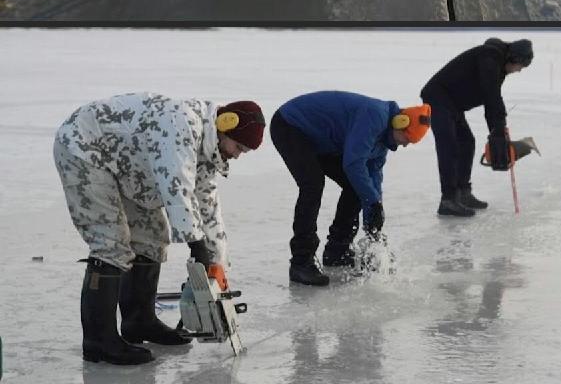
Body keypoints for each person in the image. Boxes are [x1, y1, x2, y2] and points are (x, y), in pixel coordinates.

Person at [54, 94, 264, 365]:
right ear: (224, 124)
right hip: (85, 149)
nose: (237, 155)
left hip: (126, 165)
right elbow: (177, 188)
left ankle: (139, 321)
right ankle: (98, 340)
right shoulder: (181, 124)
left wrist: (217, 265)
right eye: (238, 147)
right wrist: (197, 246)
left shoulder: (209, 150)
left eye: (243, 152)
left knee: (152, 236)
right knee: (111, 243)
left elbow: (207, 206)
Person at [271, 92, 432, 286]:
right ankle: (301, 261)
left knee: (356, 186)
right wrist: (371, 200)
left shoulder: (383, 142)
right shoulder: (375, 116)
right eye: (407, 138)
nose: (406, 144)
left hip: (322, 139)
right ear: (400, 122)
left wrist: (374, 211)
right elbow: (353, 164)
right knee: (312, 184)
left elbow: (373, 177)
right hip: (291, 125)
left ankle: (337, 250)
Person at [419, 38, 533, 217]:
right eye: (521, 66)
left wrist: (498, 131)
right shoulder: (490, 59)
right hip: (438, 98)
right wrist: (498, 131)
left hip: (452, 104)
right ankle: (448, 200)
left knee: (467, 142)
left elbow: (493, 99)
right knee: (448, 146)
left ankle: (463, 192)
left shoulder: (497, 64)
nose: (519, 71)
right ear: (515, 59)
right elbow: (491, 96)